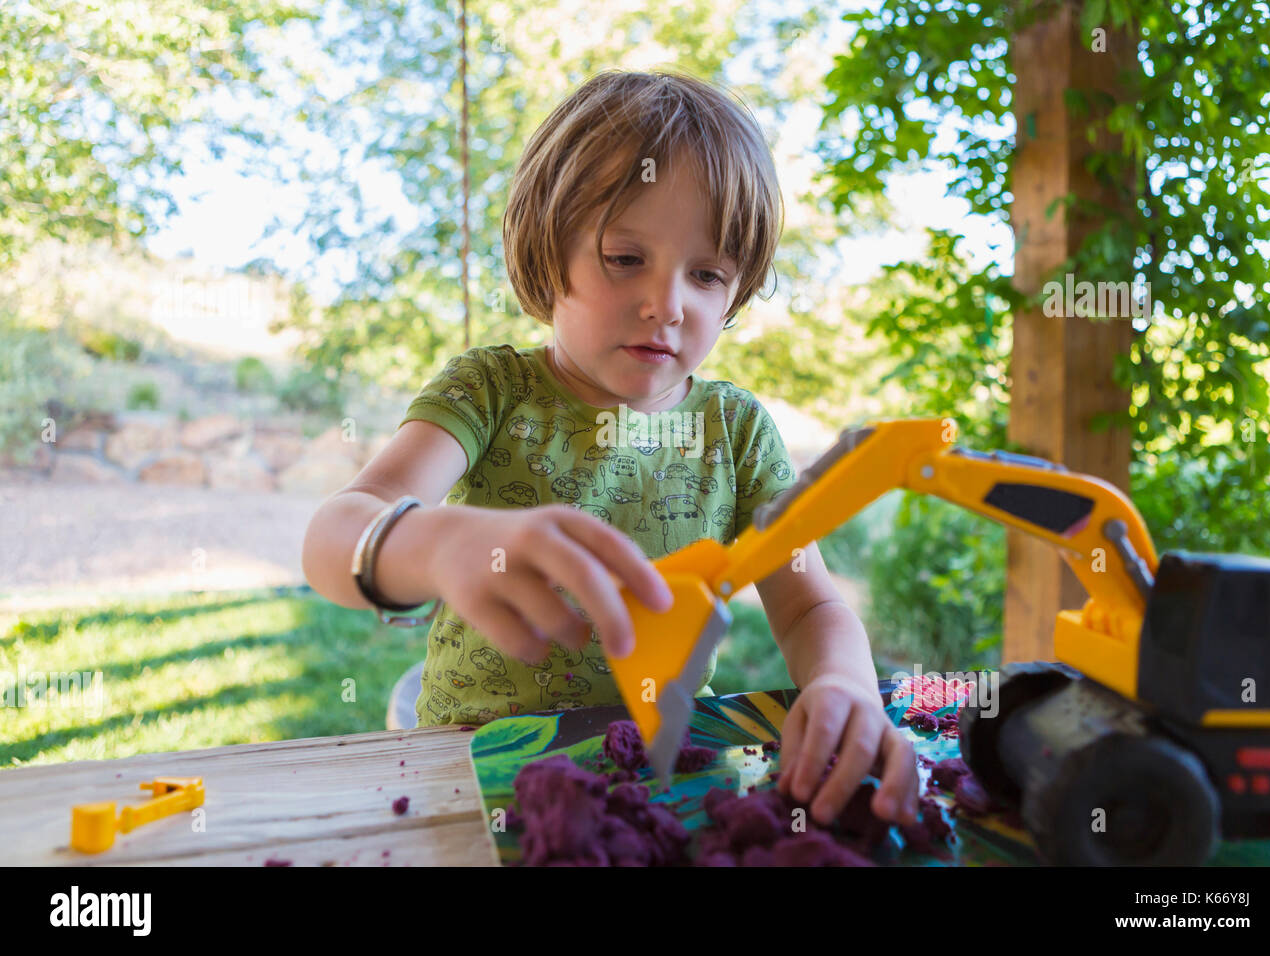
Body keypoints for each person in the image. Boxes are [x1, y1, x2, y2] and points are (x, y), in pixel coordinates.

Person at [302, 70, 919, 828]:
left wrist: (845, 683)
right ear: (547, 250)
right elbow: (334, 537)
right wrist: (432, 543)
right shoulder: (491, 391)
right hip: (475, 778)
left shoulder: (738, 432)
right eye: (625, 258)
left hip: (658, 781)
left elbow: (811, 605)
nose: (668, 304)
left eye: (707, 274)